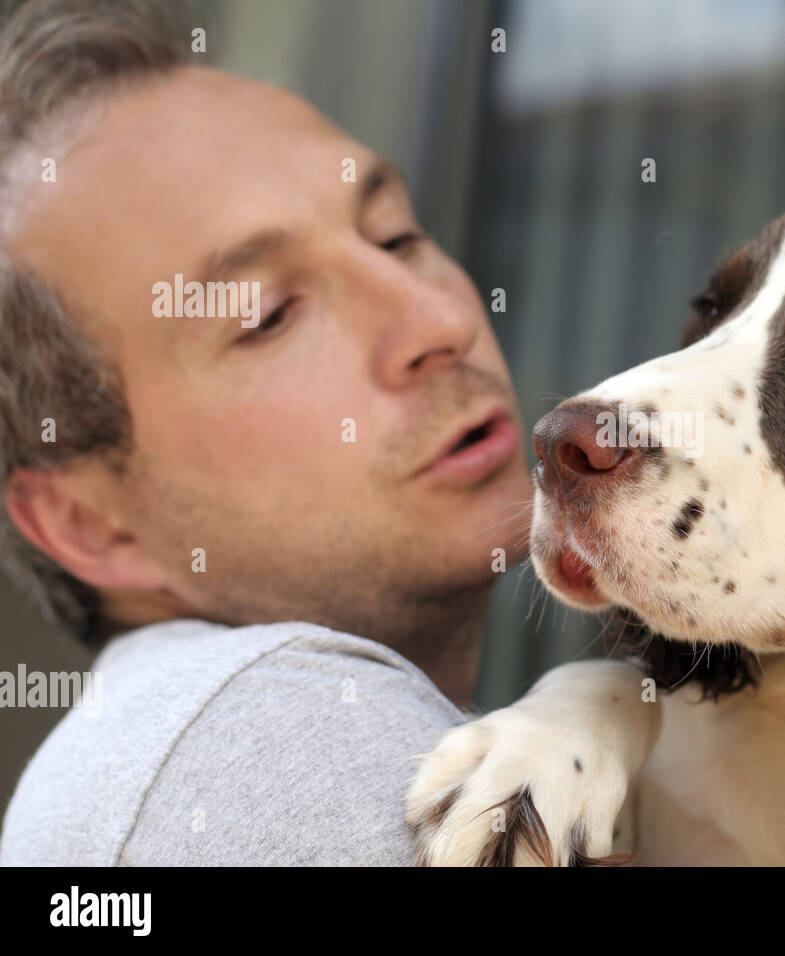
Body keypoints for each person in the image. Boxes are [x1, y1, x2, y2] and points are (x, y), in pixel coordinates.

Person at [0, 0, 532, 864]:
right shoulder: (264, 729)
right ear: (86, 521)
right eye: (270, 315)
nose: (437, 318)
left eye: (395, 235)